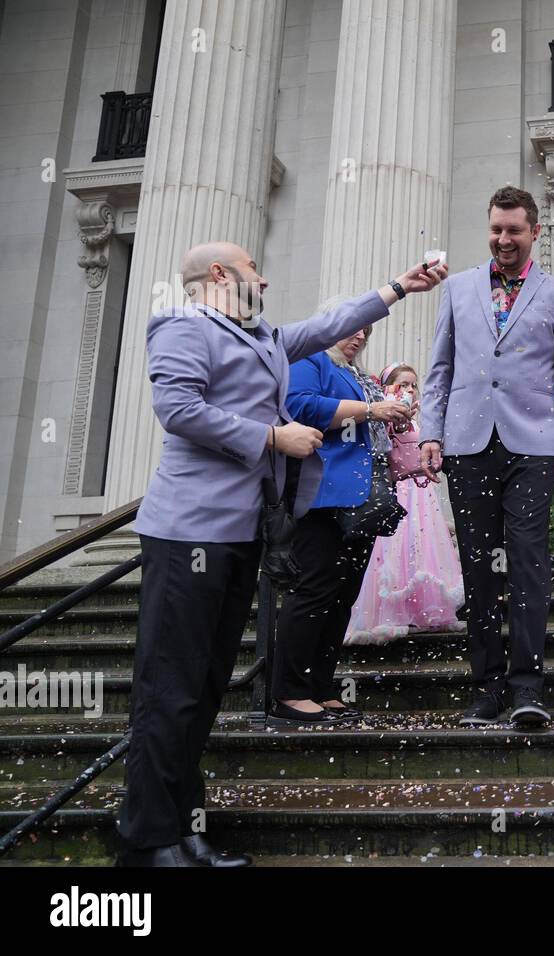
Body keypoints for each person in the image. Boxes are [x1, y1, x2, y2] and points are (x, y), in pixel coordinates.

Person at [118, 241, 445, 867]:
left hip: (243, 533)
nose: (263, 279)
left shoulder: (262, 336)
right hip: (189, 530)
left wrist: (398, 288)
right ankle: (147, 842)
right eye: (252, 269)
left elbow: (327, 325)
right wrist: (272, 435)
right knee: (171, 686)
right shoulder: (183, 326)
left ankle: (182, 829)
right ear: (219, 274)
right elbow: (178, 409)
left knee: (206, 685)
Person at [419, 186, 554, 728]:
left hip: (534, 447)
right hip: (468, 445)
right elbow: (439, 368)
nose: (503, 239)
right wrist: (431, 432)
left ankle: (527, 687)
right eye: (496, 229)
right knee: (478, 567)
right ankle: (486, 688)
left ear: (534, 231)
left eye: (514, 230)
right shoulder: (459, 288)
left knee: (528, 562)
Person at [270, 324, 414, 724]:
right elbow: (299, 406)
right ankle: (290, 691)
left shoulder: (356, 373)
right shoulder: (310, 357)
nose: (360, 336)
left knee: (342, 595)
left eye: (366, 331)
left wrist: (393, 417)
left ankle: (320, 686)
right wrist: (371, 410)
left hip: (360, 496)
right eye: (353, 328)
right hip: (321, 492)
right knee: (313, 590)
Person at [345, 363, 466, 644]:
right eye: (402, 385)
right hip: (397, 490)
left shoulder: (415, 420)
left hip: (420, 492)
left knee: (421, 550)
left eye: (413, 385)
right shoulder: (385, 415)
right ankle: (389, 612)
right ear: (387, 387)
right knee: (393, 551)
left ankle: (422, 609)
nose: (410, 390)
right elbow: (381, 447)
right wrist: (393, 417)